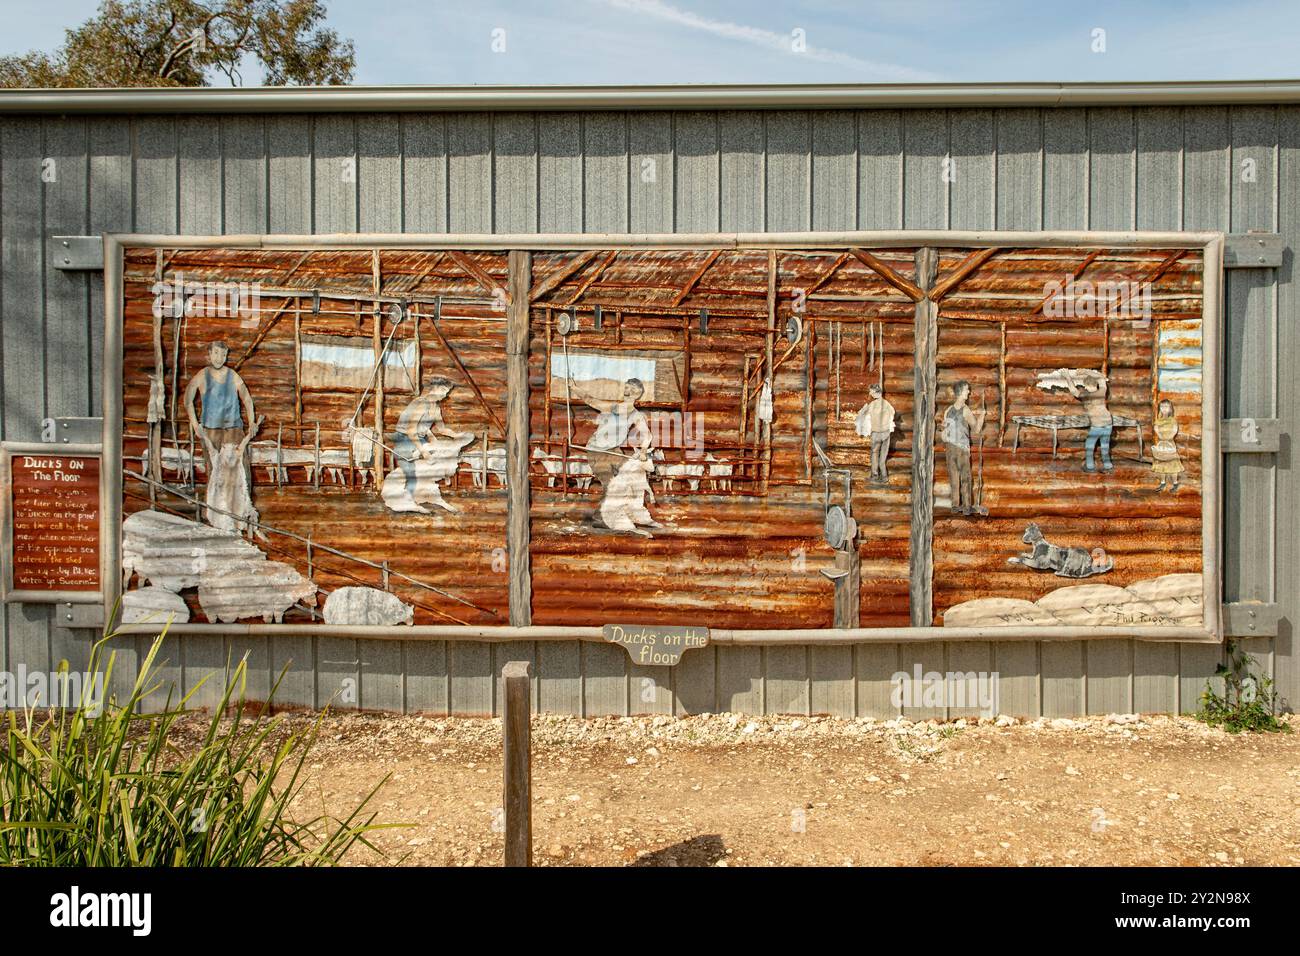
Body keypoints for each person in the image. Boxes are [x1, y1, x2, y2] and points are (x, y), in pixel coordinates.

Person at [391, 377, 473, 513]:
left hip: (419, 438)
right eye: (442, 390)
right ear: (433, 388)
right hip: (405, 439)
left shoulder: (435, 407)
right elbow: (411, 431)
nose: (445, 394)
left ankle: (427, 497)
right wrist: (424, 452)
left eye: (446, 392)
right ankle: (408, 503)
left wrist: (457, 435)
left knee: (434, 463)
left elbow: (442, 429)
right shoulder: (421, 403)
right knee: (413, 473)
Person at [184, 340, 257, 488]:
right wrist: (195, 424)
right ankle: (216, 509)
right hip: (211, 432)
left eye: (223, 354)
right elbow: (187, 400)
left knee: (240, 471)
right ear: (210, 354)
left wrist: (252, 422)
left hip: (233, 430)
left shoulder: (233, 375)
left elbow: (247, 399)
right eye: (216, 353)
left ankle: (242, 509)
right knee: (214, 474)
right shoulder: (202, 375)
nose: (219, 358)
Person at [571, 377, 653, 491]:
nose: (626, 390)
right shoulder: (612, 407)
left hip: (614, 450)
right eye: (626, 387)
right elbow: (591, 400)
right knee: (609, 484)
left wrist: (643, 451)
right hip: (597, 450)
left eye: (629, 388)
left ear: (636, 393)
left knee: (628, 475)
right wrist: (574, 388)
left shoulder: (636, 415)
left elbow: (647, 435)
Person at [941, 380, 985, 515]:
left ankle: (955, 506)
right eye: (967, 390)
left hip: (949, 448)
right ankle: (966, 507)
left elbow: (944, 429)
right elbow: (977, 429)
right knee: (965, 478)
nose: (969, 392)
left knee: (954, 477)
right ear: (960, 392)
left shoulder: (948, 410)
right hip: (961, 449)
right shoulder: (965, 410)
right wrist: (982, 416)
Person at [1063, 369, 1114, 473]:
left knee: (1089, 446)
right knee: (1105, 446)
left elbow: (1074, 391)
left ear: (1088, 385)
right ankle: (1108, 466)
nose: (1085, 387)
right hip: (1108, 423)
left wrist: (1067, 376)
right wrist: (1085, 372)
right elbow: (1100, 377)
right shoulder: (1102, 391)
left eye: (1085, 386)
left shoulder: (1086, 396)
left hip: (1097, 426)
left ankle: (1090, 467)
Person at [854, 384, 896, 484]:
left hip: (876, 433)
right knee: (883, 455)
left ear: (875, 393)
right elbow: (893, 413)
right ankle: (885, 476)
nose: (870, 393)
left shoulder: (872, 405)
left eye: (871, 392)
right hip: (886, 433)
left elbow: (861, 414)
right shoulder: (887, 404)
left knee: (874, 454)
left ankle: (875, 475)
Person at [1151, 399, 1184, 493]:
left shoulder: (1172, 420)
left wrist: (1169, 437)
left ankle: (1175, 482)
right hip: (1162, 443)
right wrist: (1161, 436)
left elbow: (1174, 430)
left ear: (1170, 409)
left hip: (1170, 443)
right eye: (1162, 407)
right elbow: (1156, 428)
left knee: (1172, 463)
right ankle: (1162, 482)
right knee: (1162, 462)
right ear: (1160, 409)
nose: (1164, 409)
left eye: (1166, 407)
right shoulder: (1159, 420)